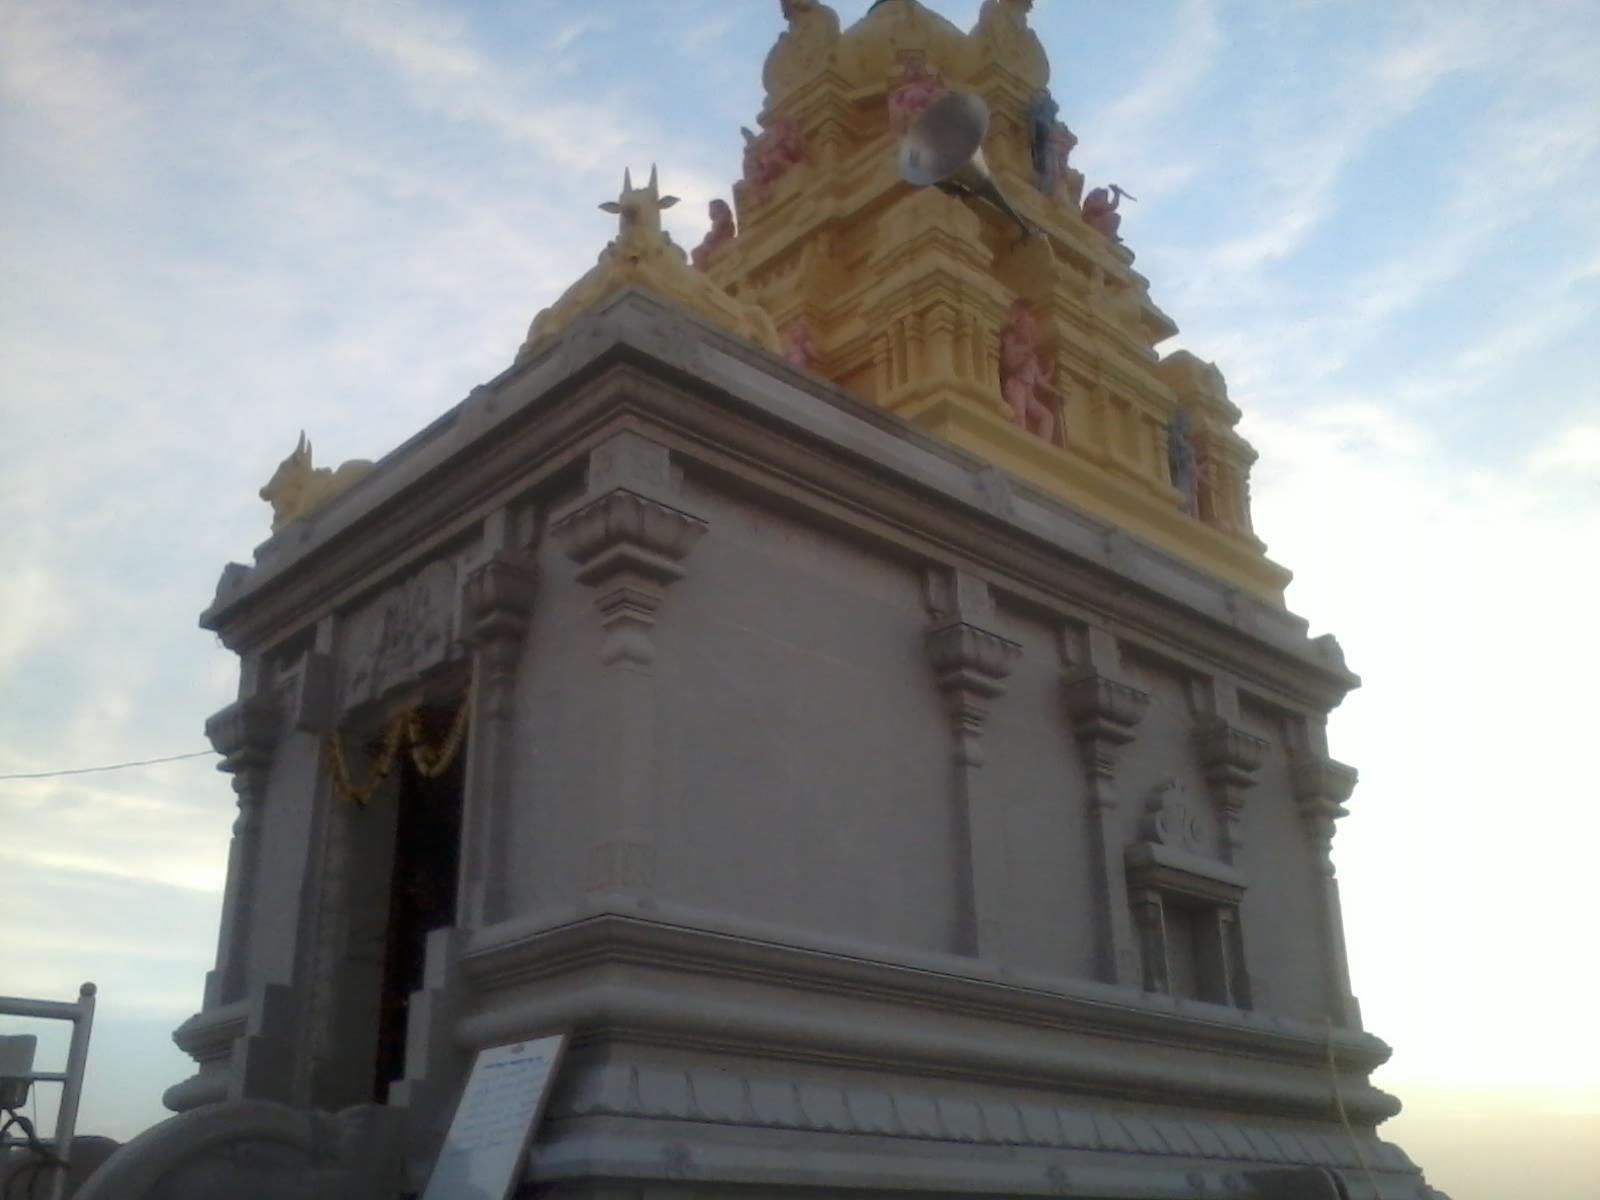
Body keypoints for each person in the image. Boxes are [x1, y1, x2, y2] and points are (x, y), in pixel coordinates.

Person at [999, 299, 1060, 442]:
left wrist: (1053, 385)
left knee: (1046, 416)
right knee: (1019, 416)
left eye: (1032, 330)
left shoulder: (1031, 356)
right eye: (1028, 329)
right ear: (1018, 330)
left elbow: (1039, 380)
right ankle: (1018, 442)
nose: (1031, 333)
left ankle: (1043, 447)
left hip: (1029, 391)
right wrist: (1024, 359)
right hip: (1016, 386)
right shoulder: (1014, 348)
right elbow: (1009, 365)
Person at [690, 199, 736, 271]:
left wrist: (708, 239)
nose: (709, 212)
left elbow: (715, 234)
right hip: (718, 243)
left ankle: (701, 269)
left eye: (711, 208)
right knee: (697, 252)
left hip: (721, 243)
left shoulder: (721, 218)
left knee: (696, 252)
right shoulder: (724, 218)